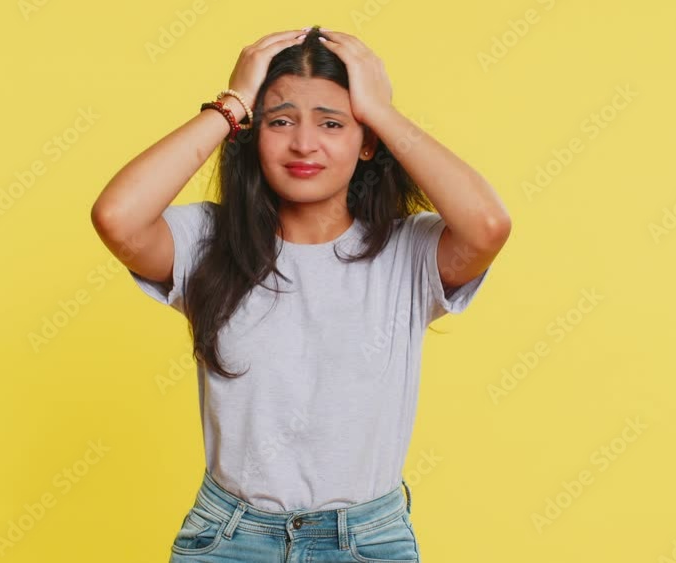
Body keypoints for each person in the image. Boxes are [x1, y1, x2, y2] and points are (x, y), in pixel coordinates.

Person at [91, 25, 511, 562]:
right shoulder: (207, 240)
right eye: (281, 121)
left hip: (366, 542)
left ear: (366, 143)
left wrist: (380, 111)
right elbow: (117, 218)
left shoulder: (408, 251)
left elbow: (488, 225)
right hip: (229, 538)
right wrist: (231, 104)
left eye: (332, 123)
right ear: (252, 133)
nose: (304, 144)